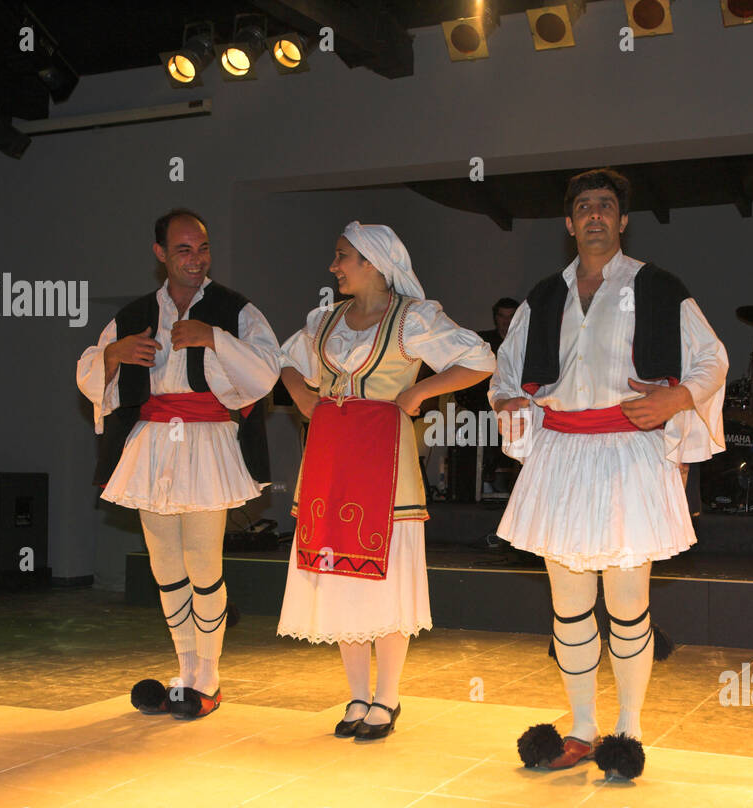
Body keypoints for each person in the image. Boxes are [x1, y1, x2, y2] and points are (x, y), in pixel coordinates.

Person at [490, 168, 728, 779]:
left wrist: (677, 400)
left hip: (629, 452)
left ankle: (629, 728)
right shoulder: (543, 297)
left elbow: (712, 359)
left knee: (627, 606)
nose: (595, 214)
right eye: (583, 207)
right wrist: (511, 402)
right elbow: (504, 376)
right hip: (562, 456)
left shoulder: (658, 287)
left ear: (622, 221)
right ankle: (581, 728)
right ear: (569, 224)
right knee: (569, 607)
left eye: (606, 206)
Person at [277, 222, 495, 739]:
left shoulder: (412, 320)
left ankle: (388, 696)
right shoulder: (324, 320)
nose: (334, 267)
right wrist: (301, 395)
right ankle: (356, 694)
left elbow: (480, 359)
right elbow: (284, 360)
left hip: (385, 459)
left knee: (387, 571)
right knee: (339, 574)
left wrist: (420, 395)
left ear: (374, 263)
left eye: (342, 257)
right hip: (331, 455)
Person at [77, 209, 281, 719]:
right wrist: (115, 354)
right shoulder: (133, 314)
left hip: (207, 441)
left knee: (203, 564)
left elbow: (266, 370)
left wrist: (214, 338)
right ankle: (185, 668)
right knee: (165, 566)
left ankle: (208, 675)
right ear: (161, 254)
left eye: (203, 248)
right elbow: (87, 373)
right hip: (153, 442)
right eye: (185, 250)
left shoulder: (235, 310)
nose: (197, 259)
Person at [454, 297, 520, 497]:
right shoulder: (483, 342)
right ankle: (483, 479)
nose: (506, 321)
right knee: (477, 424)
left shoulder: (526, 341)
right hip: (483, 403)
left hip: (516, 404)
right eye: (502, 316)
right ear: (495, 317)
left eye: (511, 317)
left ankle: (507, 481)